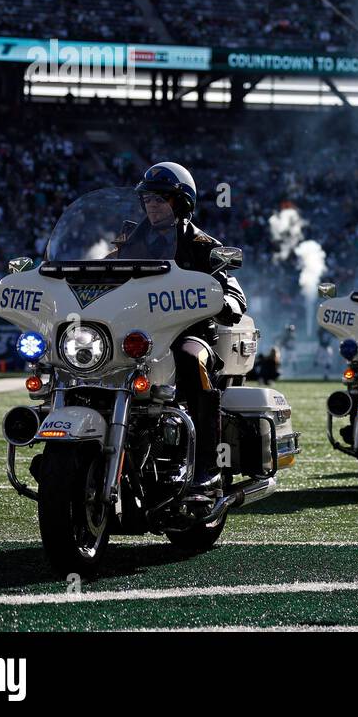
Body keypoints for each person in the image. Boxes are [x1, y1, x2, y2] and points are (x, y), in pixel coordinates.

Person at [114, 162, 246, 501]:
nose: (153, 205)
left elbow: (233, 291)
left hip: (189, 334)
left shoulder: (203, 246)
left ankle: (208, 463)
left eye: (162, 199)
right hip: (139, 336)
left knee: (190, 360)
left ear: (181, 203)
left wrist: (226, 303)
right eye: (148, 199)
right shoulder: (128, 242)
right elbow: (102, 272)